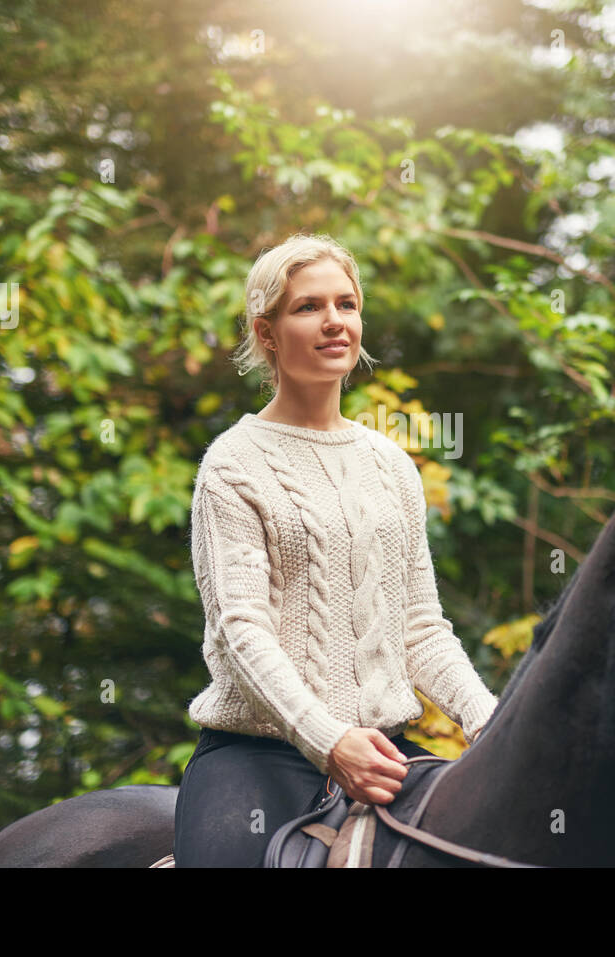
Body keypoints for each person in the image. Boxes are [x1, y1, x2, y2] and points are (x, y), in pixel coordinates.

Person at [173, 233, 498, 867]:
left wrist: (487, 719)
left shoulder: (391, 467)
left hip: (388, 756)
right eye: (308, 307)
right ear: (267, 334)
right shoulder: (233, 466)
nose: (333, 323)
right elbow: (242, 633)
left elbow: (420, 629)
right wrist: (328, 741)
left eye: (346, 305)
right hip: (257, 758)